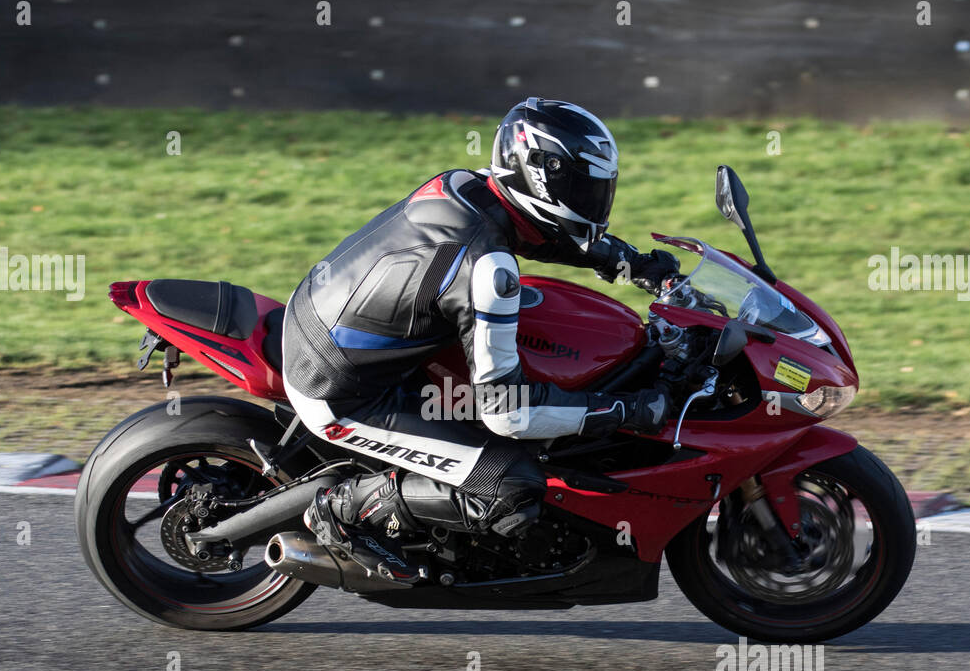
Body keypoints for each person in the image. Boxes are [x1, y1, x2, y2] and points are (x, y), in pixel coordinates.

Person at [280, 97, 681, 580]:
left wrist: (629, 261)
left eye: (599, 188)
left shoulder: (465, 186)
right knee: (513, 483)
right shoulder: (487, 269)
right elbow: (507, 411)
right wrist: (626, 410)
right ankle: (338, 509)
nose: (596, 200)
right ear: (540, 176)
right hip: (341, 390)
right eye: (583, 187)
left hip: (320, 320)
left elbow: (537, 232)